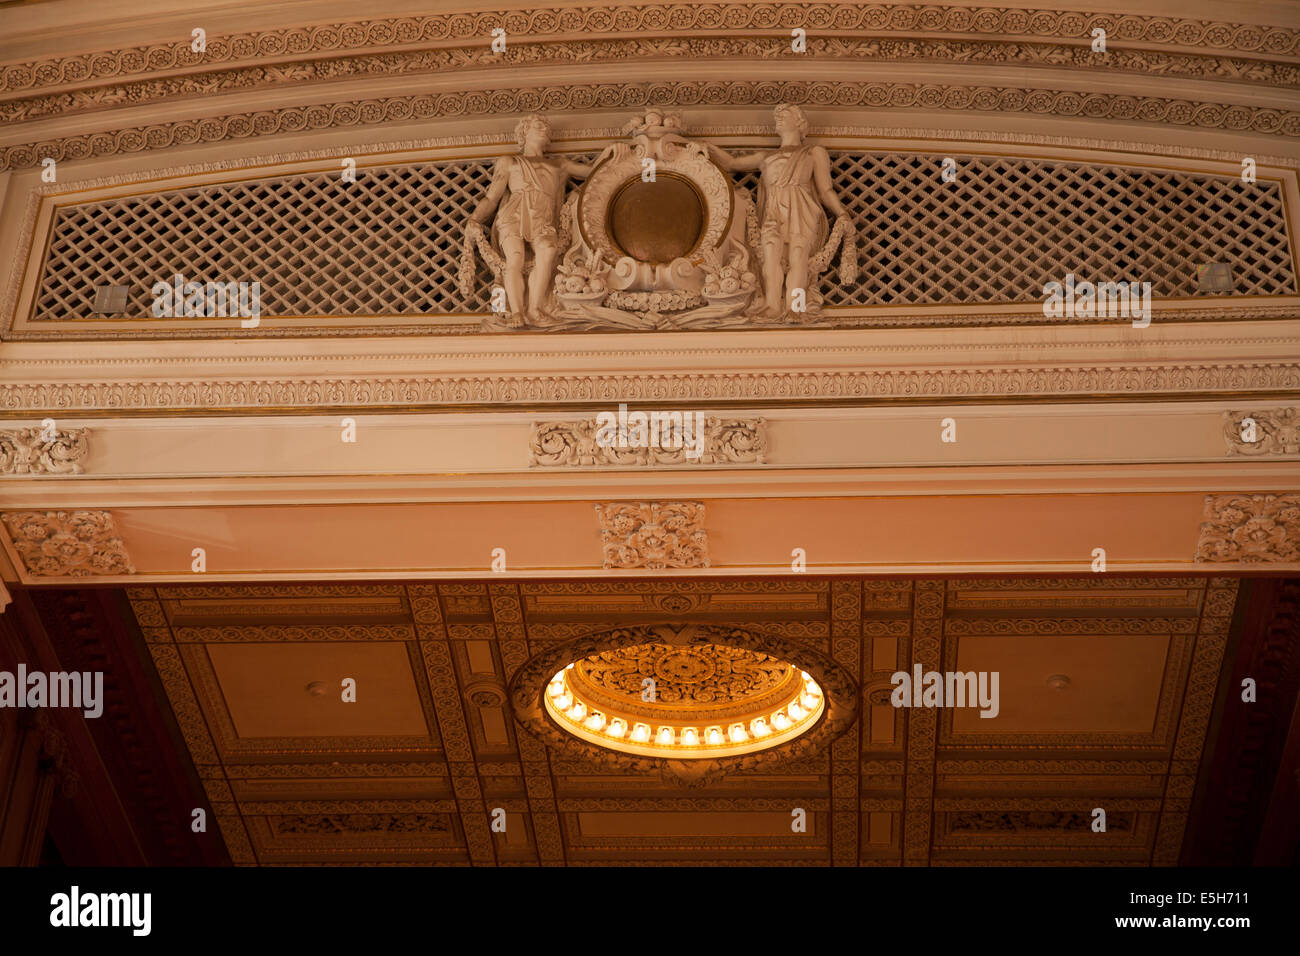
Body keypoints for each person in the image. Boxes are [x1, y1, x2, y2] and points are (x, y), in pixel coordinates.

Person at [708, 104, 849, 319]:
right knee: (771, 256)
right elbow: (732, 163)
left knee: (798, 257)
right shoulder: (766, 157)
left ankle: (797, 307)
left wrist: (841, 213)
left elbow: (825, 189)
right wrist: (705, 147)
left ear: (799, 122)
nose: (778, 119)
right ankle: (772, 305)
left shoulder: (813, 153)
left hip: (802, 208)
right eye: (777, 117)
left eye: (784, 115)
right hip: (773, 211)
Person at [469, 114, 599, 321]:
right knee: (515, 259)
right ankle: (518, 312)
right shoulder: (510, 162)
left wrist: (614, 153)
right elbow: (492, 198)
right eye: (538, 125)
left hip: (543, 216)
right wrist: (474, 220)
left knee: (547, 252)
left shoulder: (559, 164)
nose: (544, 129)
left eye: (546, 127)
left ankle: (535, 308)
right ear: (524, 132)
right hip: (514, 213)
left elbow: (596, 172)